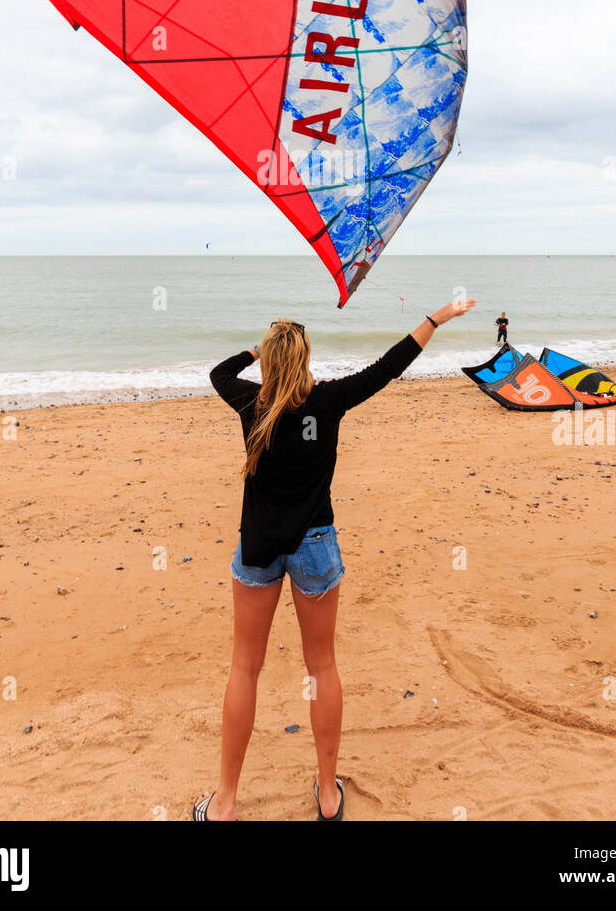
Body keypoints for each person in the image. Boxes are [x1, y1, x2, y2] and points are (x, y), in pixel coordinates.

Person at [195, 296, 477, 822]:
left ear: (272, 361)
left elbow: (217, 371)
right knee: (321, 665)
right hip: (315, 546)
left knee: (244, 667)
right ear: (304, 361)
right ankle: (327, 795)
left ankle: (226, 804)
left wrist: (256, 351)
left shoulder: (249, 402)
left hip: (257, 545)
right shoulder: (328, 401)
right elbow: (390, 366)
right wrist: (436, 318)